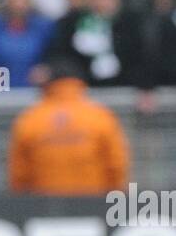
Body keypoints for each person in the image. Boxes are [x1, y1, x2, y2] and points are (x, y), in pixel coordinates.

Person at [7, 57, 129, 193]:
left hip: (44, 208)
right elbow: (116, 165)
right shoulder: (101, 117)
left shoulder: (29, 119)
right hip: (93, 205)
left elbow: (19, 173)